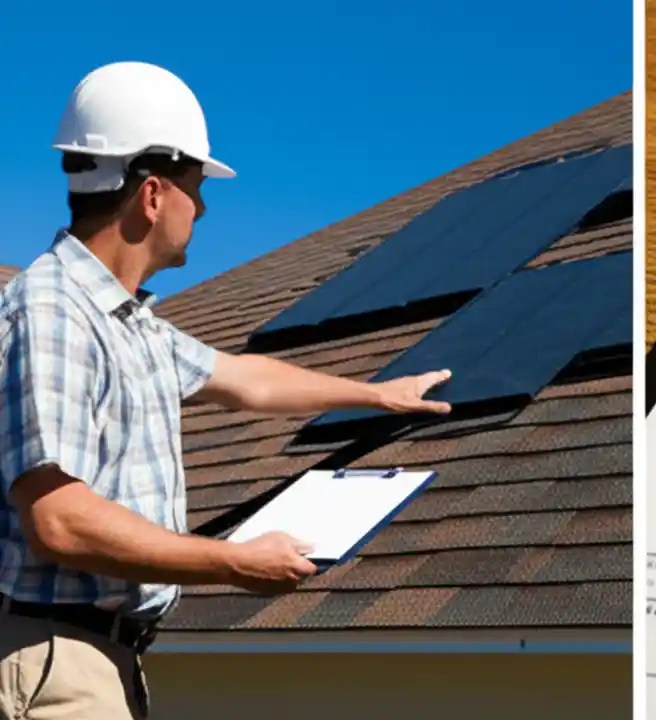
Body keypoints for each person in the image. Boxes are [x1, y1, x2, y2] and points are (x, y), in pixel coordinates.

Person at [0, 61, 453, 719]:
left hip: (98, 656)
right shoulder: (53, 311)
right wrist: (230, 562)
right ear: (152, 194)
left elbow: (247, 380)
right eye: (194, 186)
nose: (204, 207)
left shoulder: (129, 325)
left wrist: (378, 394)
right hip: (55, 657)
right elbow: (58, 519)